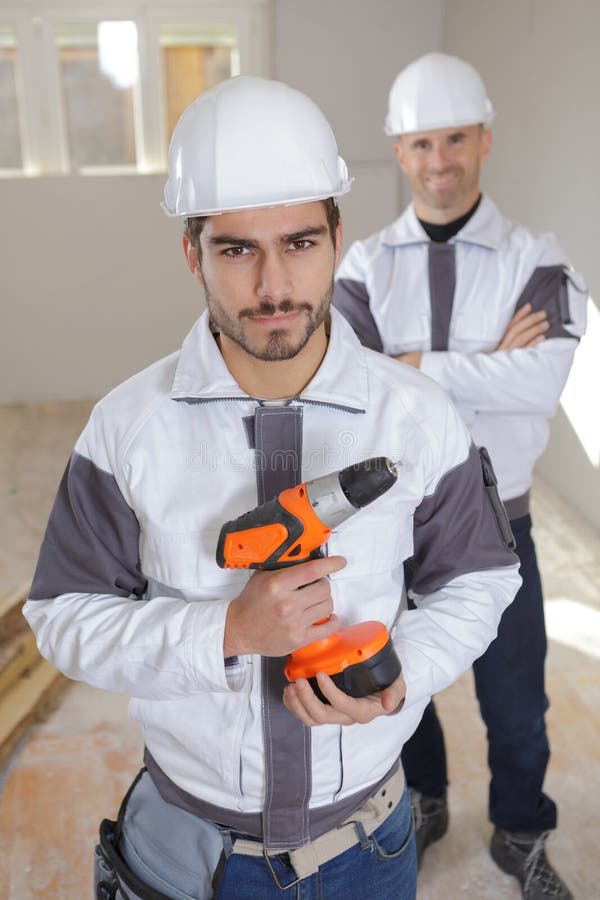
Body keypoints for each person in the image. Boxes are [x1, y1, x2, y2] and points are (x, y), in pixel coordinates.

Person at [23, 75, 520, 900]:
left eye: (298, 243)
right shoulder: (128, 427)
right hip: (189, 853)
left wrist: (404, 673)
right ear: (193, 254)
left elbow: (481, 577)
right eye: (235, 249)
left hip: (371, 844)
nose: (273, 288)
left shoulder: (419, 418)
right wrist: (226, 630)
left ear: (336, 238)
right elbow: (62, 618)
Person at [332, 52, 588, 900]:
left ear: (485, 140)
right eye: (420, 144)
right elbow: (355, 391)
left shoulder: (538, 260)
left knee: (515, 695)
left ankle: (520, 827)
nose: (438, 162)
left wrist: (409, 362)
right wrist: (479, 365)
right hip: (399, 523)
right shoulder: (364, 266)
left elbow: (544, 382)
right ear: (398, 153)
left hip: (501, 521)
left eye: (454, 140)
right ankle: (428, 799)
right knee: (399, 678)